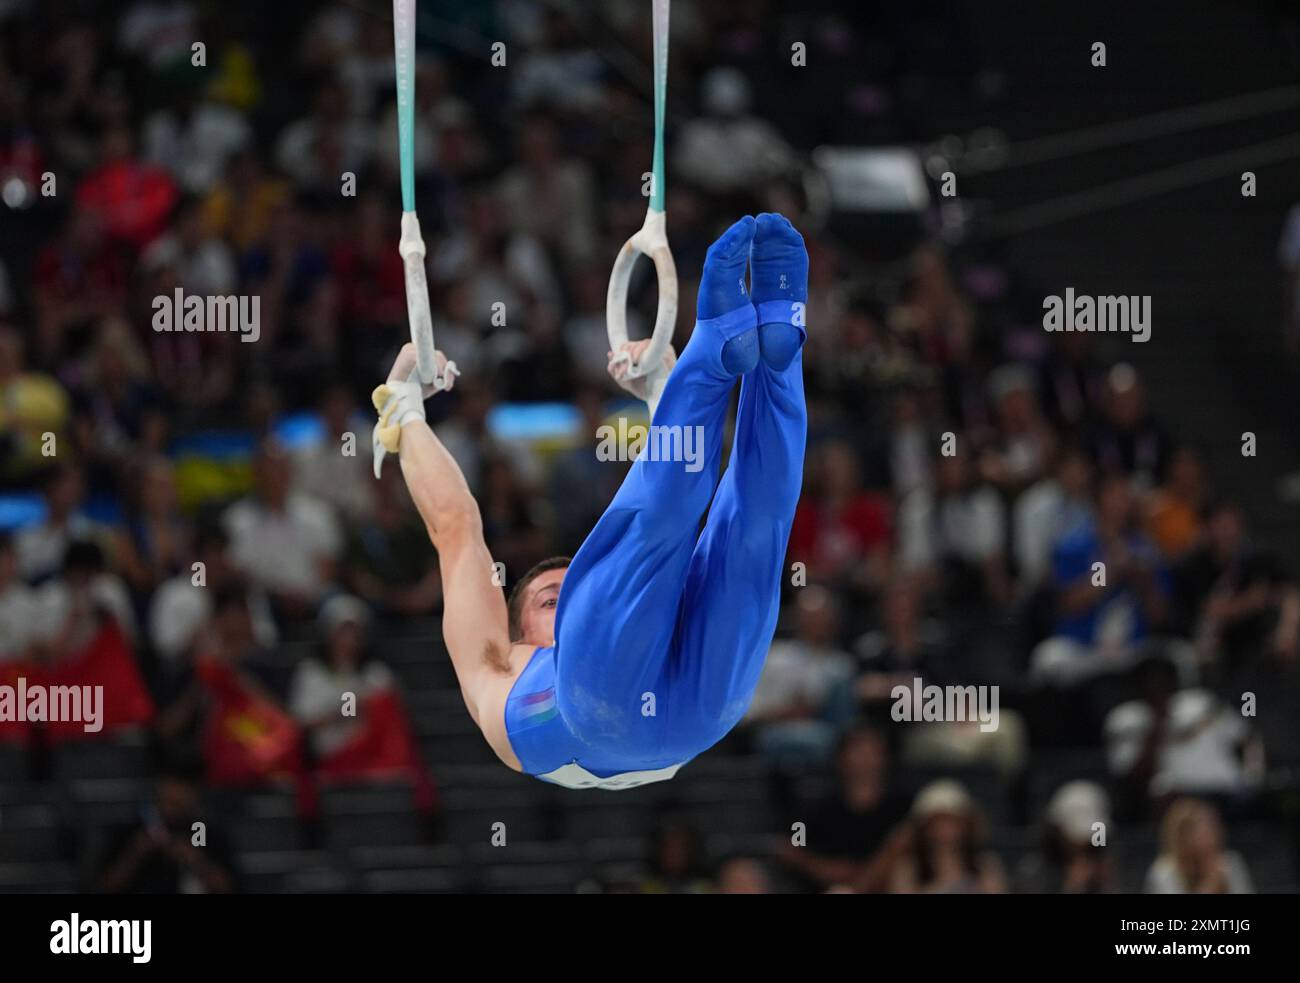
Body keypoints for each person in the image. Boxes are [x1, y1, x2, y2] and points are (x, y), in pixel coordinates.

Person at [371, 213, 808, 788]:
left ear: (513, 632)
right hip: (687, 712)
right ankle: (732, 355)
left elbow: (456, 529)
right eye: (554, 601)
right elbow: (651, 545)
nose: (568, 598)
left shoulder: (491, 666)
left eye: (563, 595)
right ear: (522, 637)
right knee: (721, 536)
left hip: (666, 710)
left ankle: (773, 351)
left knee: (745, 527)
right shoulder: (505, 663)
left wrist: (404, 413)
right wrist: (660, 390)